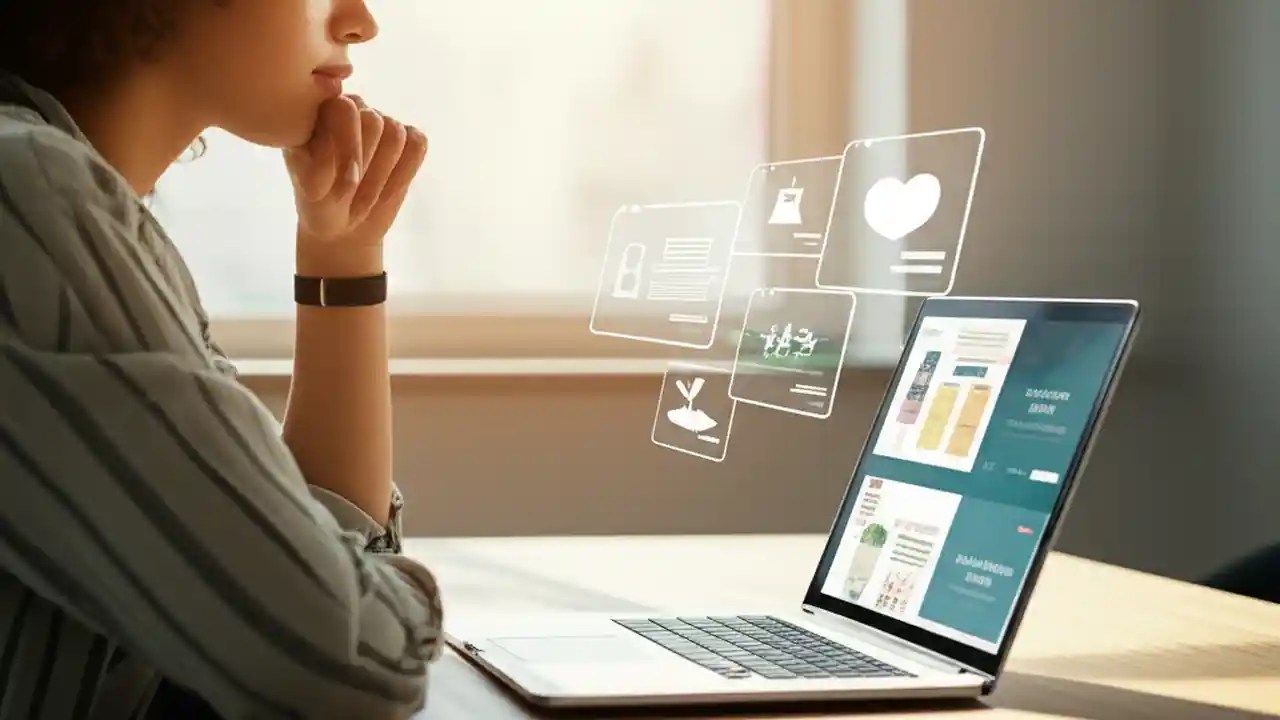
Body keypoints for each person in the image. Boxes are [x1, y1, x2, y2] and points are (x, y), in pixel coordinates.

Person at [0, 1, 442, 718]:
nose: (359, 21)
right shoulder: (35, 194)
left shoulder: (80, 203)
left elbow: (306, 570)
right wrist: (390, 598)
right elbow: (345, 665)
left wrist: (344, 257)